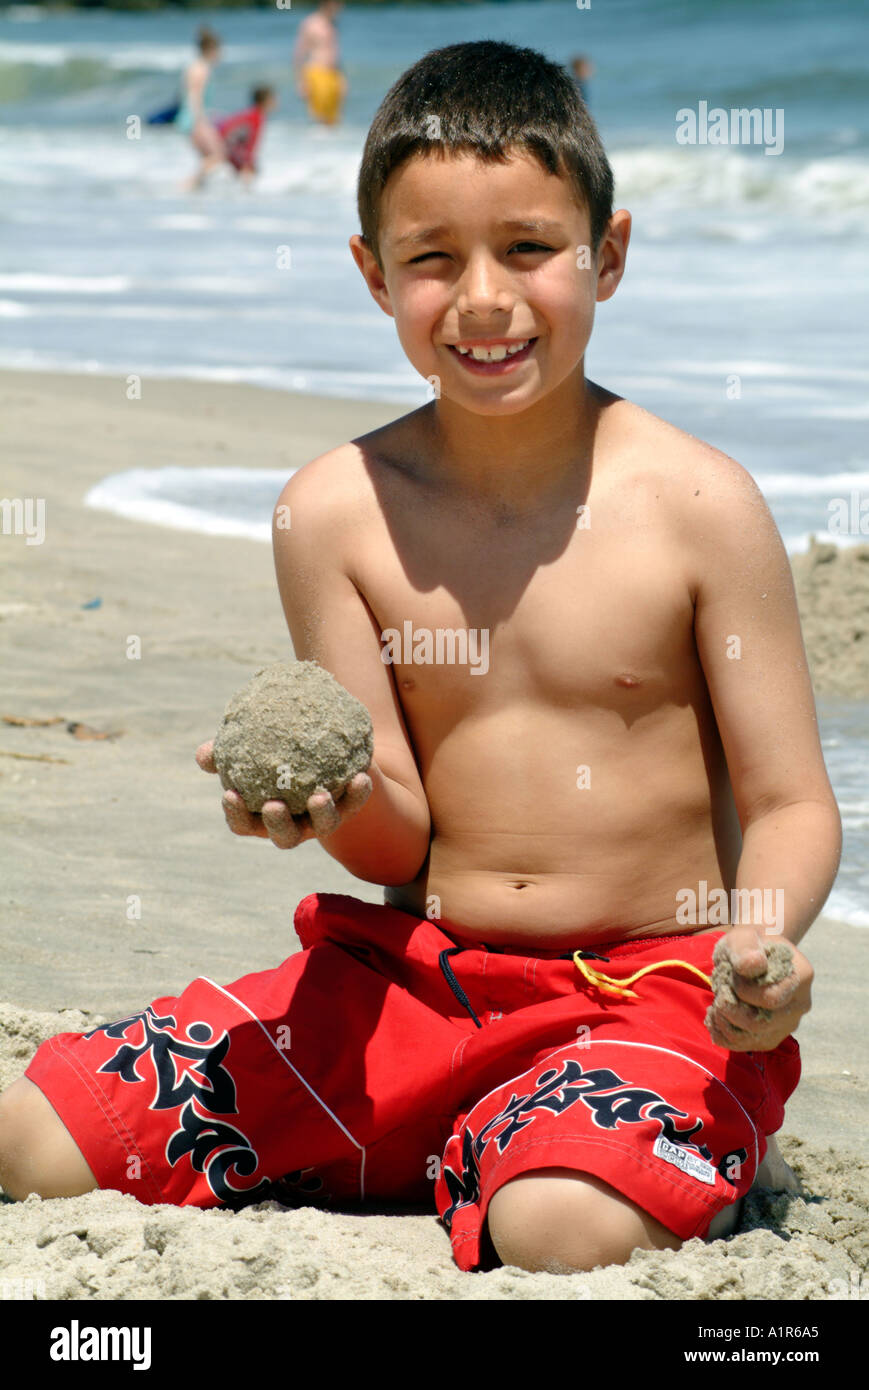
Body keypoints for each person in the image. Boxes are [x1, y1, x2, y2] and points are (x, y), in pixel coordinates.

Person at [0, 42, 840, 1277]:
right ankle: (472, 1131)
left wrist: (754, 948)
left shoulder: (698, 504)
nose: (483, 299)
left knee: (558, 1228)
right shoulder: (337, 512)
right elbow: (397, 837)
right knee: (41, 1136)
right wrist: (324, 806)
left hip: (650, 988)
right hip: (412, 983)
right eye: (430, 259)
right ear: (370, 272)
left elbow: (787, 802)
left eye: (529, 249)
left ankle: (605, 1132)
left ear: (606, 254)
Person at [177, 26, 225, 191]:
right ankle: (186, 185)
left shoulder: (195, 67)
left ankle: (197, 191)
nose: (221, 54)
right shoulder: (201, 69)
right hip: (193, 119)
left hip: (189, 118)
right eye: (219, 50)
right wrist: (200, 120)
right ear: (211, 49)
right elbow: (193, 97)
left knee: (207, 157)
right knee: (218, 155)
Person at [294, 0, 346, 126]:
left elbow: (334, 52)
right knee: (319, 118)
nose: (339, 7)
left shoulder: (332, 23)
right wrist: (301, 81)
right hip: (316, 72)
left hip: (333, 73)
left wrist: (342, 78)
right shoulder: (311, 23)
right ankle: (318, 144)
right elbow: (299, 53)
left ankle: (330, 145)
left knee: (334, 120)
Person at [215, 86, 279, 185]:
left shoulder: (251, 113)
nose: (276, 102)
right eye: (273, 99)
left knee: (246, 168)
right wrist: (248, 162)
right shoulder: (257, 117)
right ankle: (245, 193)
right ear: (266, 101)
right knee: (249, 168)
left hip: (222, 139)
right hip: (226, 143)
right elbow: (252, 143)